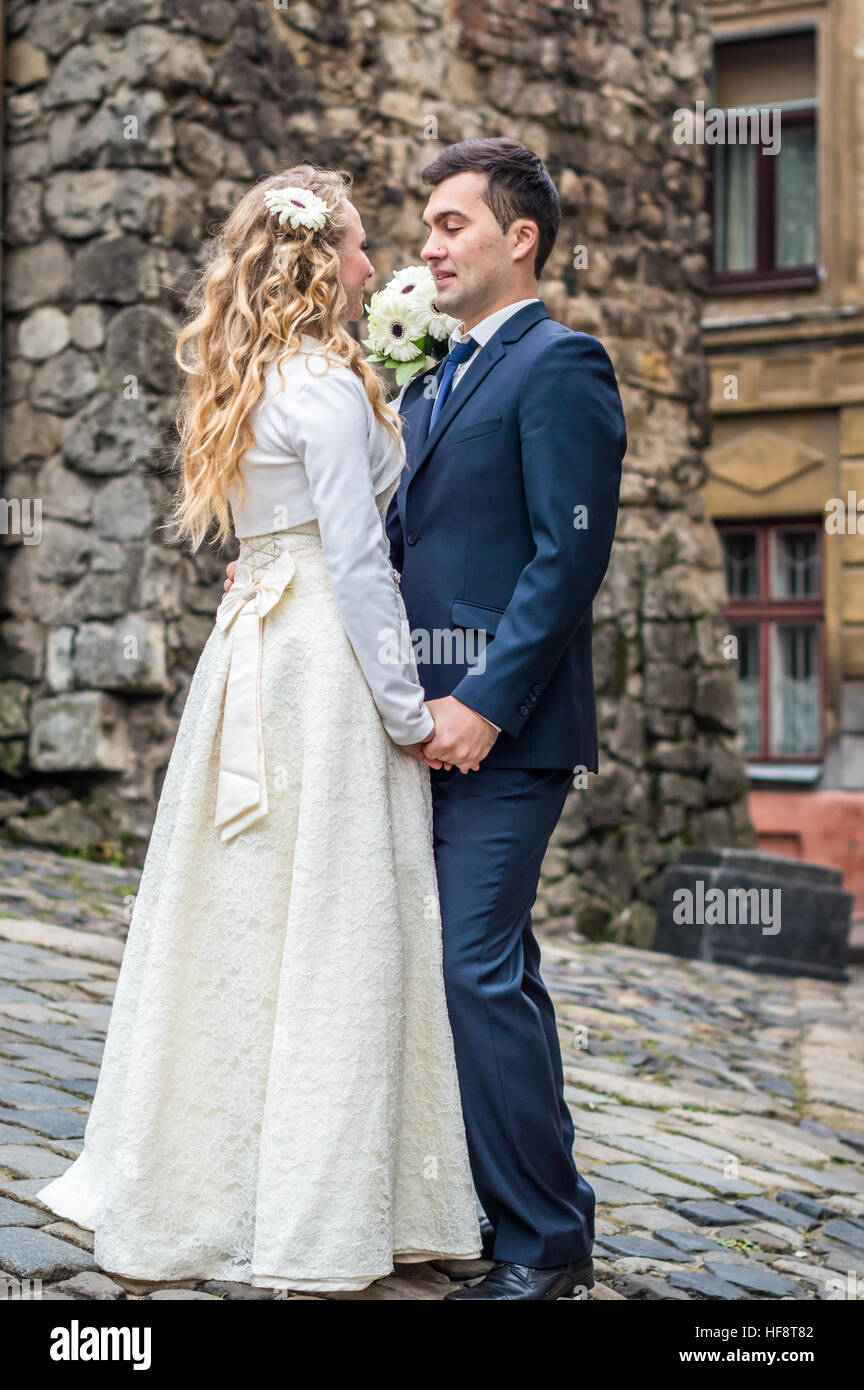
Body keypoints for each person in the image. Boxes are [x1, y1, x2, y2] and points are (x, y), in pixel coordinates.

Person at [35, 164, 482, 1294]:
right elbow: (358, 561)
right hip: (318, 664)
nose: (379, 266)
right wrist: (404, 705)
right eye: (362, 246)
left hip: (252, 647)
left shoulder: (257, 375)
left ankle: (210, 1164)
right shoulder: (326, 390)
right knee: (332, 915)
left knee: (240, 906)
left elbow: (280, 532)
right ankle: (316, 1203)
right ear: (315, 260)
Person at [228, 139, 628, 1301]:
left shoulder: (565, 365)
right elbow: (377, 542)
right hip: (404, 724)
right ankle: (524, 1202)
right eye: (425, 225)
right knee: (476, 966)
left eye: (455, 224)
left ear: (523, 240)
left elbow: (568, 556)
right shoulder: (428, 375)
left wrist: (486, 704)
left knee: (472, 964)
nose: (429, 245)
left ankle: (545, 1246)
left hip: (507, 731)